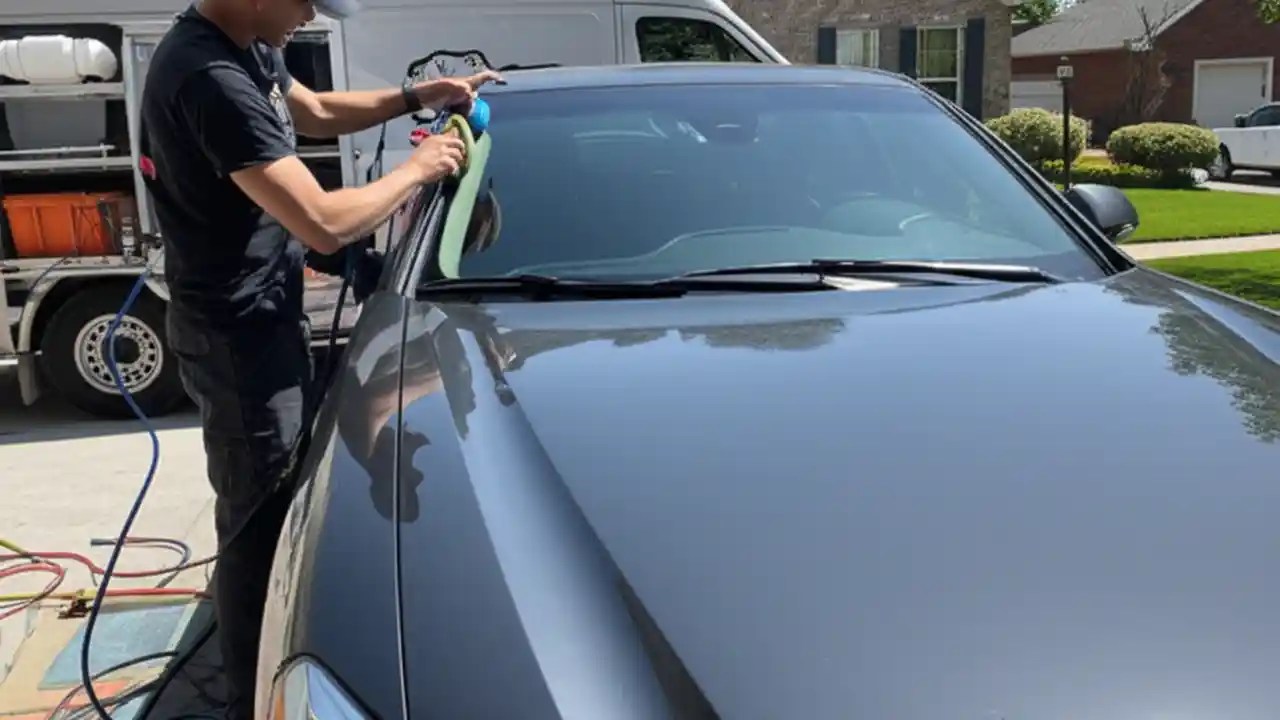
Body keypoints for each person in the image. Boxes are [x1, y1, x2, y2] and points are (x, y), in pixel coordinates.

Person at [138, 0, 500, 716]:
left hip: (264, 318)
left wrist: (414, 96)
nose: (310, 15)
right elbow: (326, 225)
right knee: (260, 524)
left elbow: (314, 111)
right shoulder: (207, 75)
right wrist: (423, 167)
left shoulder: (248, 45)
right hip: (236, 339)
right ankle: (252, 695)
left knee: (275, 509)